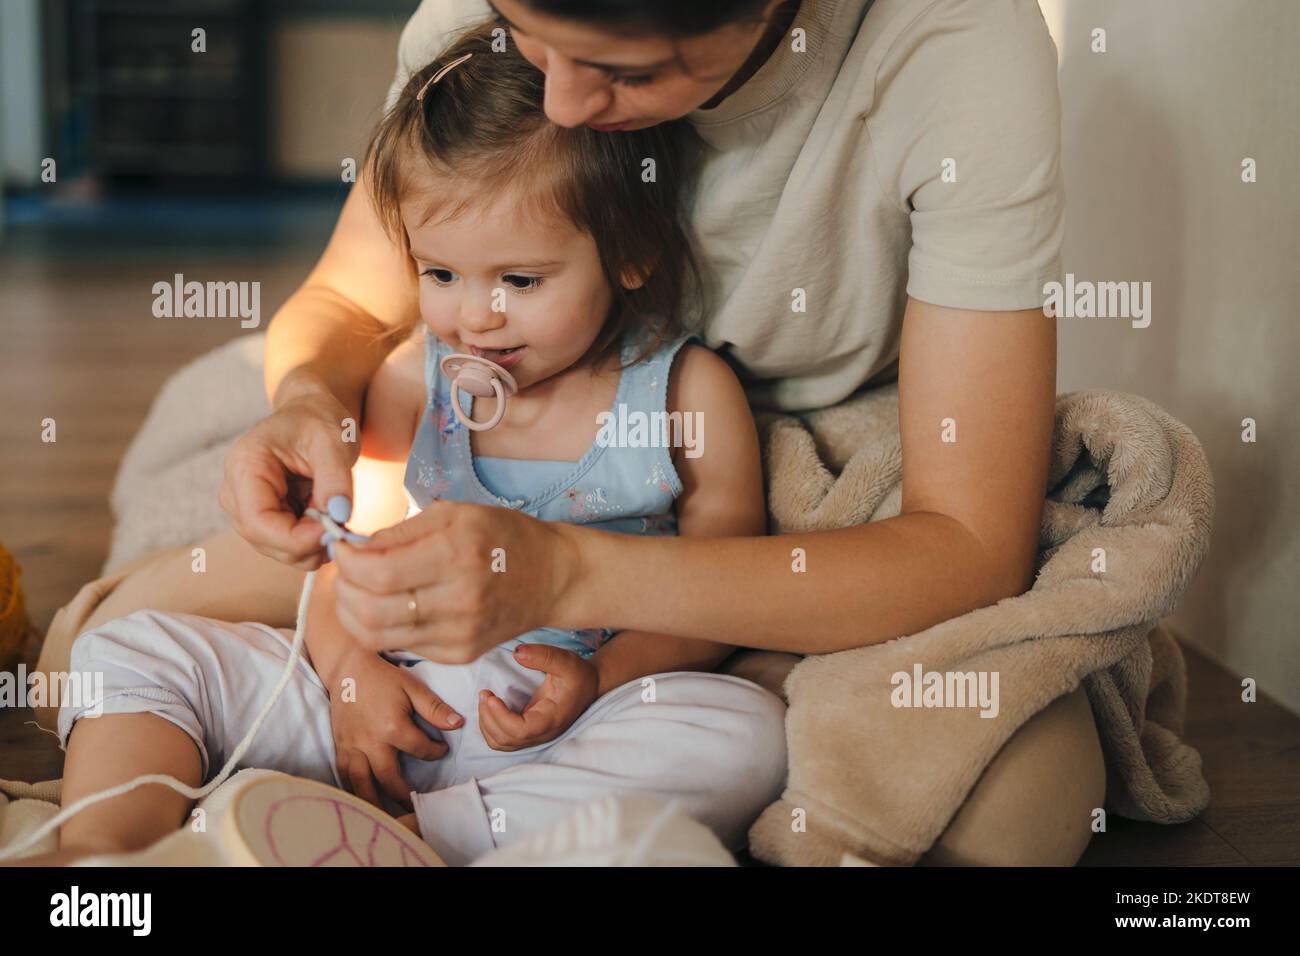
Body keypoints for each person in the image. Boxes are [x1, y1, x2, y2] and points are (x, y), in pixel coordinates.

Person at [40, 0, 1106, 865]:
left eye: (624, 72)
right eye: (524, 28)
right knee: (109, 643)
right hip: (408, 682)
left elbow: (959, 542)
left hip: (709, 596)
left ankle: (417, 841)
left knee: (979, 793)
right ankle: (98, 860)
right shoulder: (428, 366)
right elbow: (352, 330)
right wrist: (311, 404)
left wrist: (574, 596)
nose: (555, 96)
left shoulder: (953, 57)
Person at [33, 25, 787, 867]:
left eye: (521, 281)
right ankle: (102, 852)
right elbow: (347, 561)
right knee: (130, 646)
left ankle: (415, 843)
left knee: (742, 732)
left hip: (558, 723)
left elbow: (719, 589)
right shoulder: (408, 380)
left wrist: (605, 680)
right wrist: (353, 677)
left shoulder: (685, 393)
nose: (475, 315)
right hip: (392, 703)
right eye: (440, 275)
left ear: (632, 254)